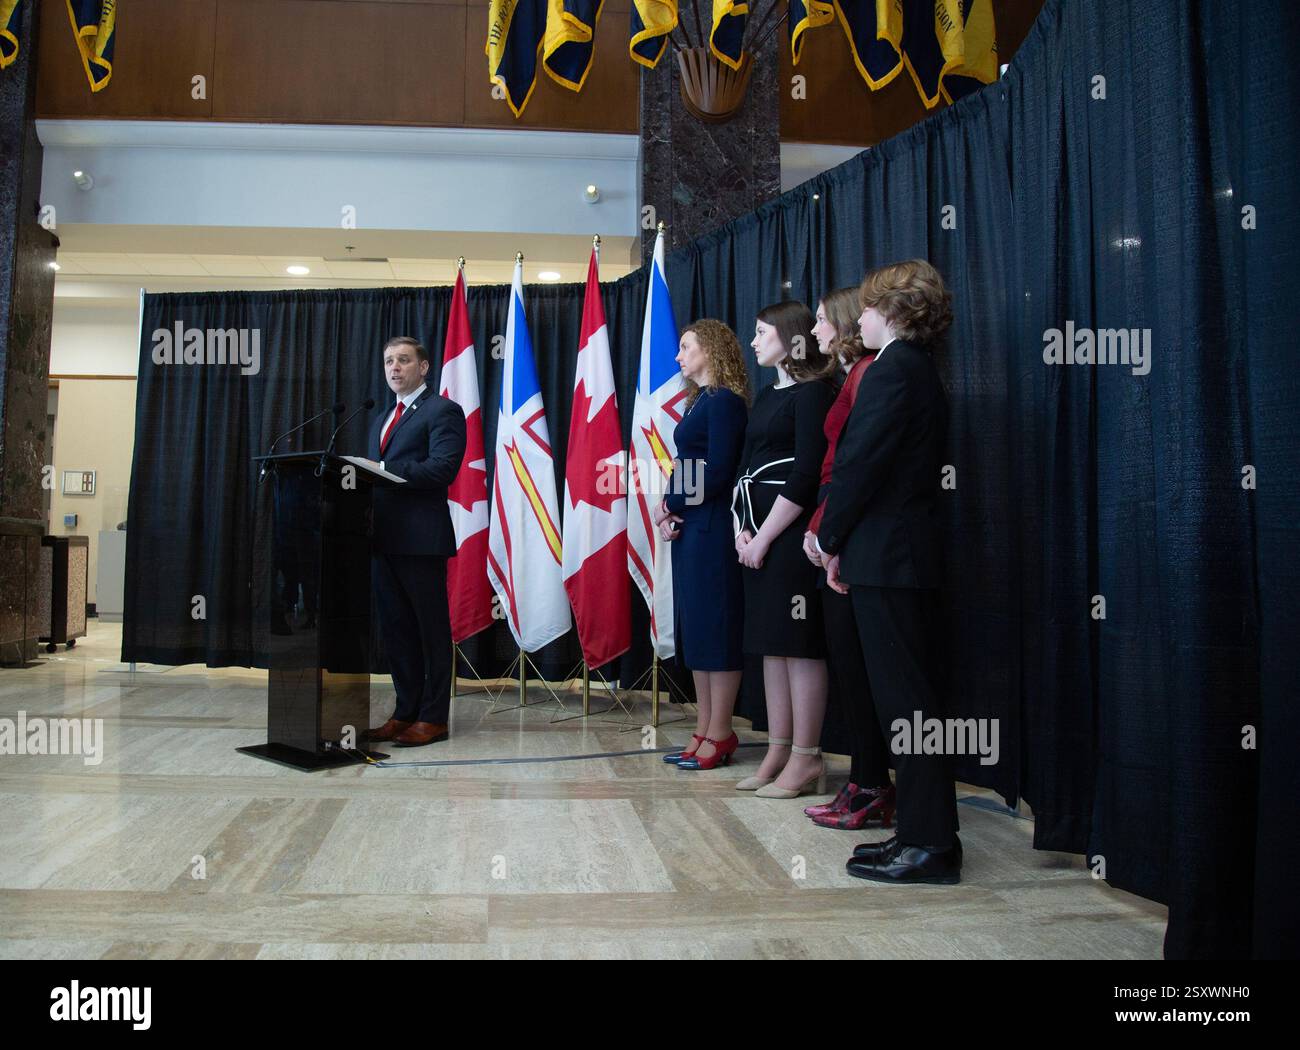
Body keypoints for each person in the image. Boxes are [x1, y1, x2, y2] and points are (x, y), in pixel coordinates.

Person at [813, 260, 960, 884]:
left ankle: (931, 844)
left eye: (869, 310)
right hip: (892, 555)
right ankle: (917, 833)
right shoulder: (905, 367)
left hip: (891, 557)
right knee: (905, 703)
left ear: (896, 313)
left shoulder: (896, 368)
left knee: (911, 707)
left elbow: (860, 465)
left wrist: (828, 535)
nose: (860, 320)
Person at [732, 301, 837, 798]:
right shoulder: (768, 397)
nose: (753, 342)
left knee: (798, 648)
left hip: (792, 542)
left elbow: (807, 474)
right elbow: (745, 468)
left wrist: (768, 536)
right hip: (757, 541)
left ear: (791, 337)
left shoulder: (814, 395)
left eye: (760, 332)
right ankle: (777, 748)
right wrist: (742, 532)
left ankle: (807, 756)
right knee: (771, 649)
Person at [801, 286, 897, 829]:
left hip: (850, 539)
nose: (815, 331)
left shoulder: (866, 374)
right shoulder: (849, 377)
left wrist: (824, 534)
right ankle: (864, 782)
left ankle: (872, 786)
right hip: (837, 533)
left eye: (821, 320)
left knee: (862, 677)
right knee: (851, 673)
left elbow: (851, 466)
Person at [362, 336, 467, 747]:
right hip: (383, 540)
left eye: (403, 360)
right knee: (397, 632)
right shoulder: (383, 417)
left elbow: (442, 469)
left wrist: (383, 468)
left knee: (429, 632)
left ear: (423, 368)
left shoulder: (443, 411)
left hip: (421, 541)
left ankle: (434, 717)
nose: (394, 368)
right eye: (388, 360)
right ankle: (405, 712)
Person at [654, 320, 750, 771]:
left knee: (715, 630)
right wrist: (672, 510)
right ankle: (704, 727)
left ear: (710, 350)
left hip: (713, 529)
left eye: (685, 347)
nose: (678, 357)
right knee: (696, 630)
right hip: (693, 525)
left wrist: (673, 501)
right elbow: (687, 464)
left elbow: (718, 469)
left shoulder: (725, 402)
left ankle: (721, 731)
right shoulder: (700, 402)